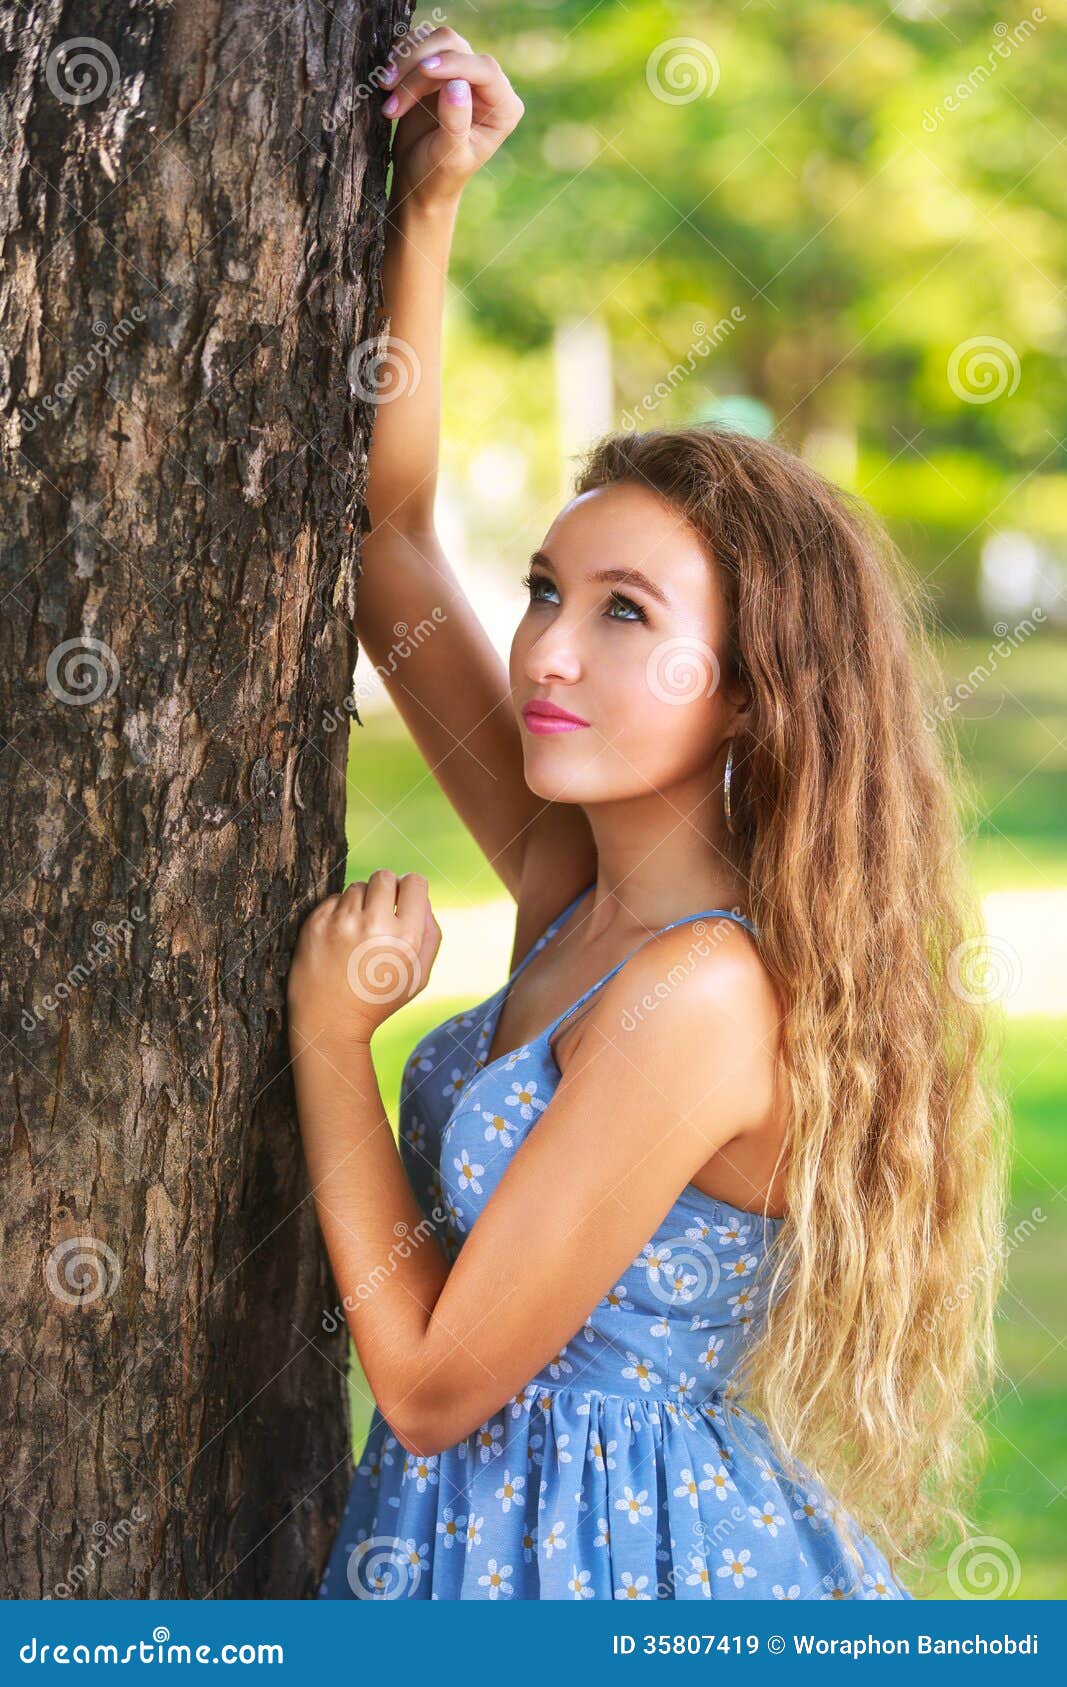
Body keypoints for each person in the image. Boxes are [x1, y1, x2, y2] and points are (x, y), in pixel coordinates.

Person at [287, 24, 1007, 1601]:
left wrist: (332, 1043)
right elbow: (390, 541)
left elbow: (427, 1382)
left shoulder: (700, 990)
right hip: (485, 1546)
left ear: (753, 688)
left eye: (626, 613)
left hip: (628, 1573)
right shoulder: (578, 882)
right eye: (549, 590)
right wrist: (432, 203)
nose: (547, 645)